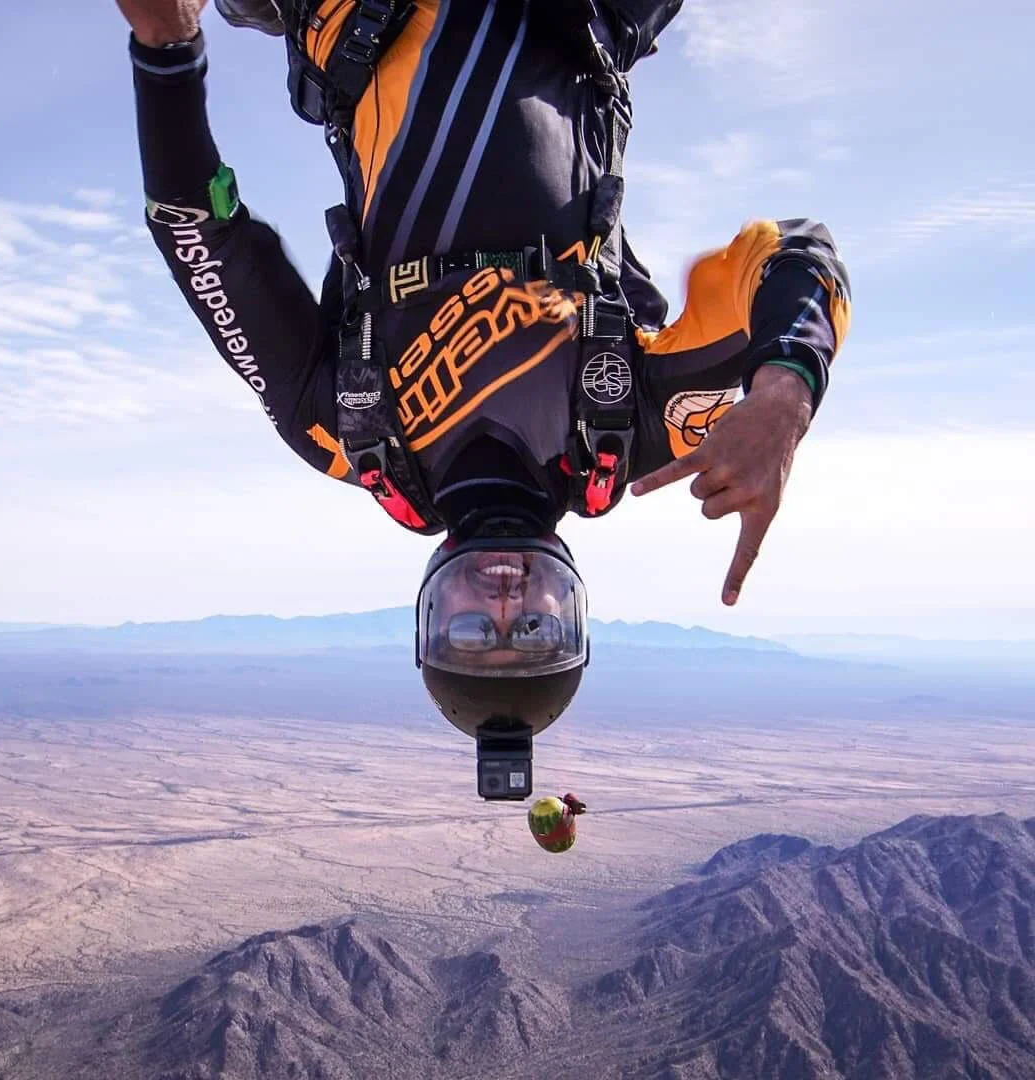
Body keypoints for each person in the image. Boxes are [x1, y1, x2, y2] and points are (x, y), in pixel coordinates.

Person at [117, 0, 850, 764]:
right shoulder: (640, 427)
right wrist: (784, 394)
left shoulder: (345, 431)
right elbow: (796, 251)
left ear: (428, 615)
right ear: (575, 613)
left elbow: (199, 233)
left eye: (471, 633)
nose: (503, 602)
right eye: (535, 631)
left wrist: (166, 49)